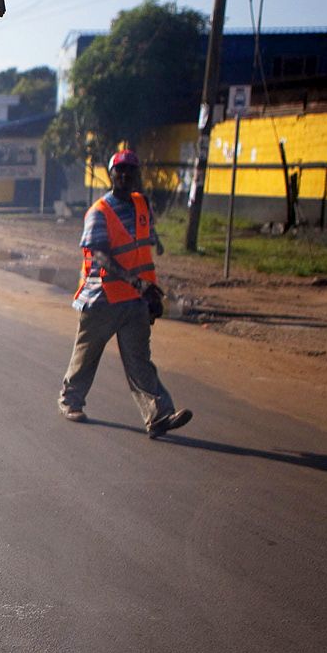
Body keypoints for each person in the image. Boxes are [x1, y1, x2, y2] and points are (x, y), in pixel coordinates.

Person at [58, 149, 192, 437]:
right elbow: (100, 256)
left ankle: (158, 415)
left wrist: (150, 292)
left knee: (139, 360)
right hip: (101, 298)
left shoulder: (142, 205)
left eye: (131, 170)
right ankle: (70, 401)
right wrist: (137, 283)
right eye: (120, 170)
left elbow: (144, 248)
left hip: (134, 301)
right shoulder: (99, 212)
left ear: (136, 175)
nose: (125, 175)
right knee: (87, 355)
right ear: (111, 175)